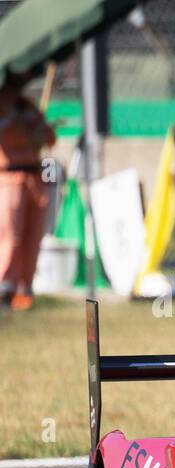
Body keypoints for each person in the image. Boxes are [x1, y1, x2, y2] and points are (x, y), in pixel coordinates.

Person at [0, 71, 55, 311]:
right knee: (10, 233)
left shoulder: (26, 106)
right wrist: (29, 135)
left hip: (35, 174)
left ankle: (24, 288)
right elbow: (12, 136)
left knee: (33, 234)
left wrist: (31, 134)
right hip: (10, 175)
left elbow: (48, 135)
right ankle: (4, 287)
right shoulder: (3, 106)